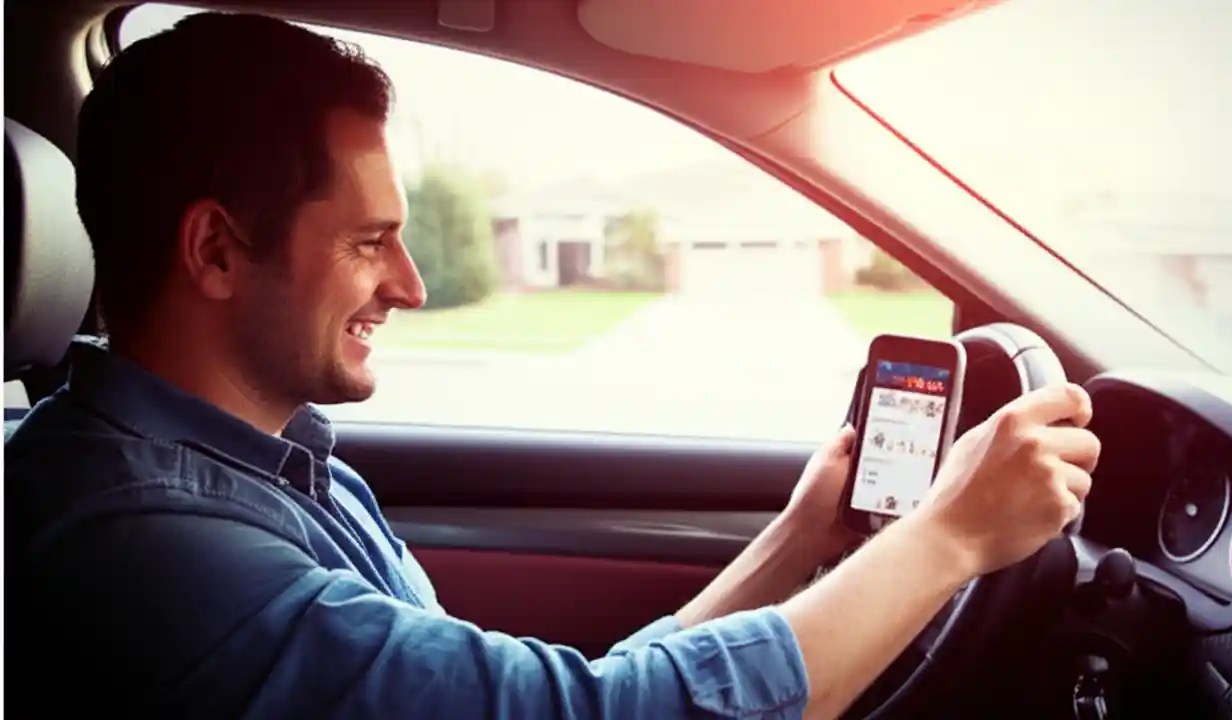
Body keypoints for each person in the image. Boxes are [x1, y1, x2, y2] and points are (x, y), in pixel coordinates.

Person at [6, 12, 1101, 719]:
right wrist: (946, 538)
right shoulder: (136, 542)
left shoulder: (284, 469)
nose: (410, 285)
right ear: (214, 251)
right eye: (364, 241)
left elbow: (558, 700)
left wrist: (801, 537)